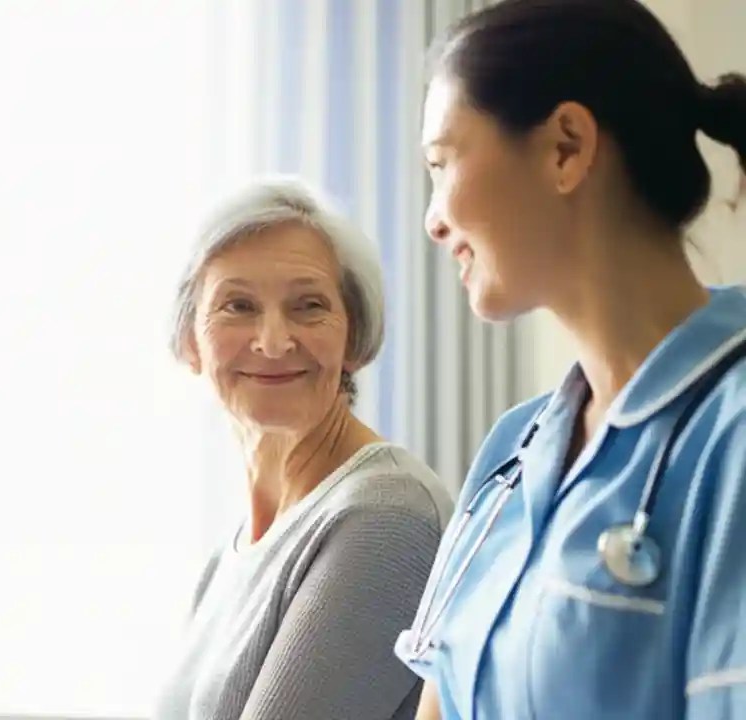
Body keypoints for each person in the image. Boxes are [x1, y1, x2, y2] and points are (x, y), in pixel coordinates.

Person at [394, 1, 746, 718]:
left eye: (441, 163)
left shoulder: (730, 434)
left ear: (565, 147)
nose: (433, 220)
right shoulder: (512, 455)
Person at [155, 177, 454, 720]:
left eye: (308, 306)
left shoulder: (387, 515)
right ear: (189, 341)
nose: (272, 341)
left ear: (354, 337)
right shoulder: (231, 554)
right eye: (237, 305)